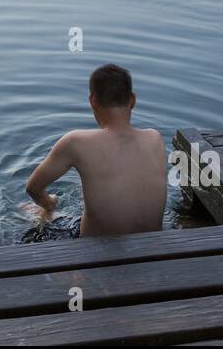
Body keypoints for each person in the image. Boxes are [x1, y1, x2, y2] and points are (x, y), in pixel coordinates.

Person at [23, 64, 167, 238]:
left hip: (98, 254)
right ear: (133, 100)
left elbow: (33, 188)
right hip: (155, 249)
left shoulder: (75, 142)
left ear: (92, 101)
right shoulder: (155, 139)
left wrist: (49, 203)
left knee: (31, 209)